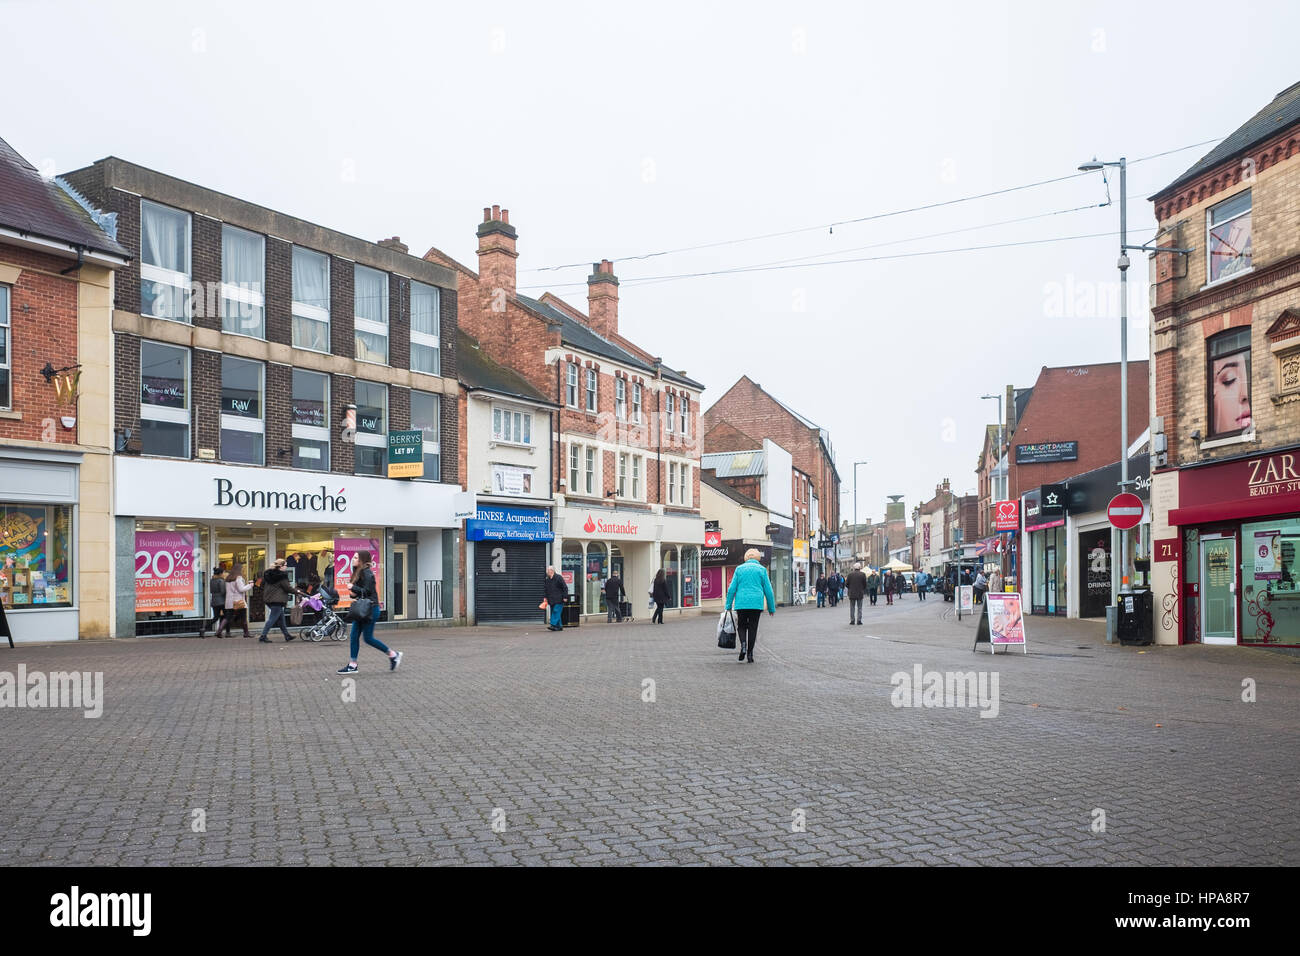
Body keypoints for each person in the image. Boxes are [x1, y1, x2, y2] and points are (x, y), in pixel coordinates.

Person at [337, 550, 400, 674]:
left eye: (356, 557)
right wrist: (352, 593)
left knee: (368, 638)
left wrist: (353, 588)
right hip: (363, 609)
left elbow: (367, 592)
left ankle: (393, 654)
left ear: (362, 560)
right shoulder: (359, 573)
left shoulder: (367, 573)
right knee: (354, 636)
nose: (353, 559)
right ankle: (353, 664)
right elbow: (360, 593)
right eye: (353, 557)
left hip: (370, 609)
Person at [725, 548, 776, 663]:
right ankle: (750, 654)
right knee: (753, 628)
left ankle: (743, 645)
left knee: (741, 626)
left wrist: (728, 605)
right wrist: (771, 608)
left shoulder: (739, 569)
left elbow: (732, 589)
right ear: (758, 557)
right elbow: (768, 590)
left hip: (741, 603)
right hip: (756, 604)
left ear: (746, 557)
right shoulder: (762, 570)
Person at [258, 557, 296, 642]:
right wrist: (297, 591)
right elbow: (287, 588)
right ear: (281, 566)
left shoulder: (268, 575)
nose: (286, 567)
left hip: (268, 599)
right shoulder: (282, 576)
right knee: (272, 619)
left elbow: (262, 586)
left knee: (281, 619)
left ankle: (287, 635)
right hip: (277, 600)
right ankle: (263, 636)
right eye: (286, 565)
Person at [217, 565, 253, 638]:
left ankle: (219, 631)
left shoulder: (228, 578)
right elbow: (241, 589)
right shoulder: (238, 578)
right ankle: (246, 633)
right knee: (243, 618)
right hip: (238, 601)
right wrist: (250, 585)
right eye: (242, 569)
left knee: (227, 617)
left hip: (229, 601)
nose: (242, 570)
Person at [543, 565, 568, 631]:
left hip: (559, 599)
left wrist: (565, 597)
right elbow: (546, 589)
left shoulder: (559, 578)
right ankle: (559, 626)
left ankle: (553, 624)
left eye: (548, 570)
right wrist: (545, 597)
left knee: (556, 611)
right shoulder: (547, 579)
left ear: (552, 571)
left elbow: (565, 587)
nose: (547, 572)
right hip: (551, 600)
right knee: (555, 613)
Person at [207, 566, 225, 635]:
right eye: (223, 573)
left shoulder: (212, 580)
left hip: (214, 600)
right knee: (226, 616)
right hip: (221, 601)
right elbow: (223, 591)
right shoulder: (221, 580)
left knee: (216, 617)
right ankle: (221, 631)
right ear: (220, 573)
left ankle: (204, 628)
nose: (223, 574)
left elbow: (211, 591)